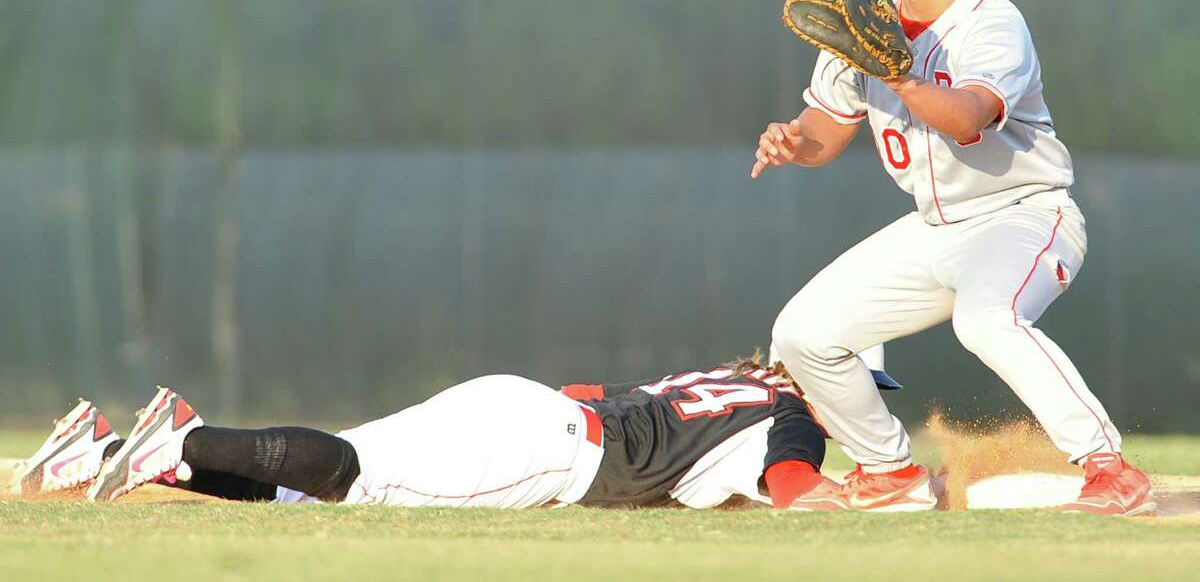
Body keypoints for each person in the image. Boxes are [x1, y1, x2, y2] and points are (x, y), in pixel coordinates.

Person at [751, 0, 1153, 515]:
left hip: (1024, 214)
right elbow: (825, 130)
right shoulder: (866, 17)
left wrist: (901, 77)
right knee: (802, 332)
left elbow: (969, 118)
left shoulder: (993, 24)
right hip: (936, 226)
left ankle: (1109, 467)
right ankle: (889, 471)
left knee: (986, 319)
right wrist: (793, 142)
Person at [8, 357, 902, 510]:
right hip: (555, 450)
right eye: (860, 386)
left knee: (313, 482)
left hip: (529, 402)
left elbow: (599, 389)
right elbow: (790, 487)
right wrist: (859, 498)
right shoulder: (794, 417)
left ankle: (101, 447)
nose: (859, 403)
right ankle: (185, 438)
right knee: (352, 475)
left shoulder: (741, 380)